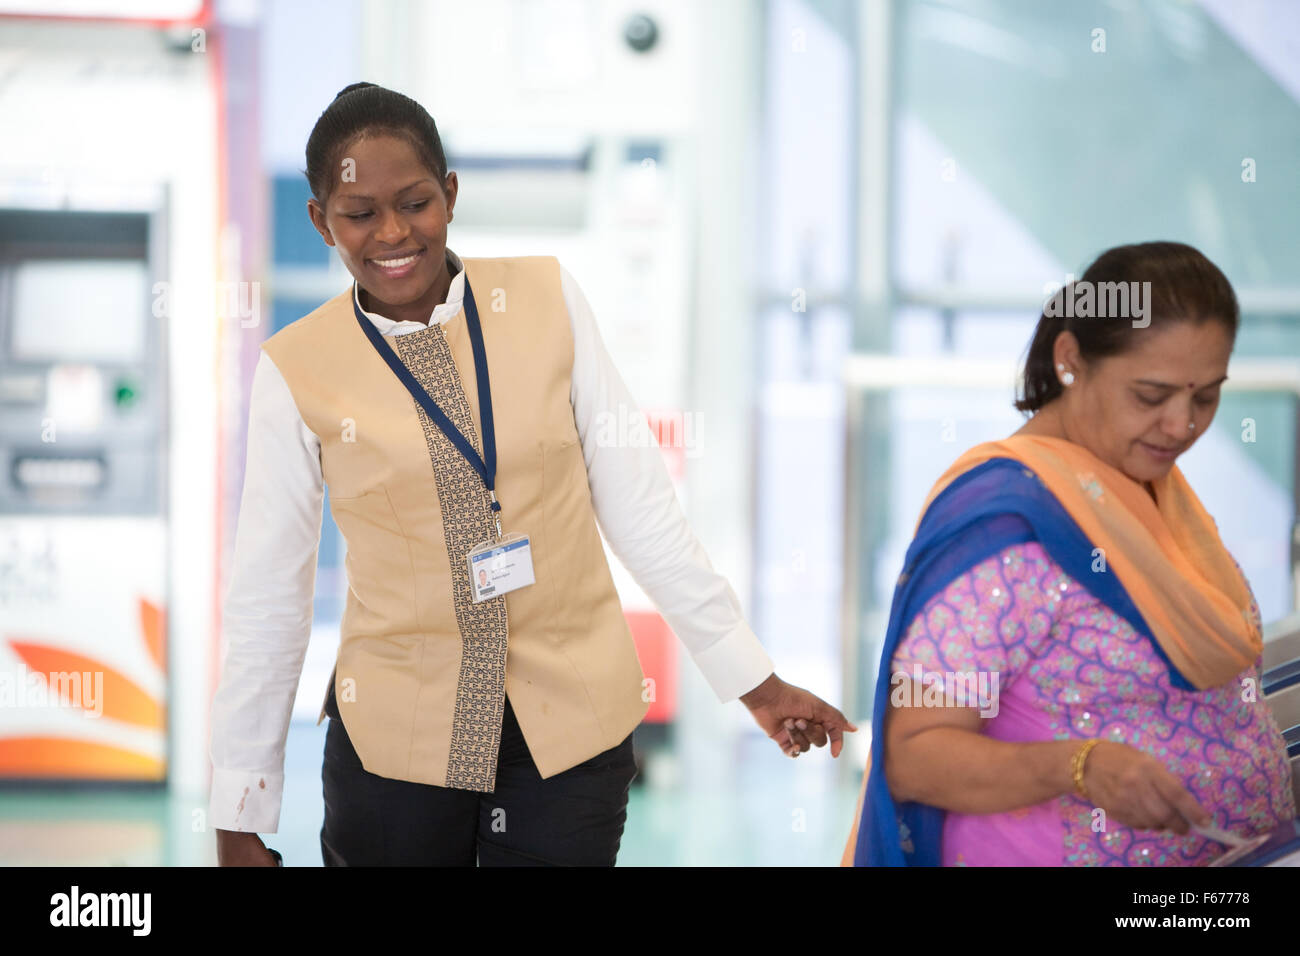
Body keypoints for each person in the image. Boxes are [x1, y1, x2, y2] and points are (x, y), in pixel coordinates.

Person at [209, 82, 855, 867]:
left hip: (570, 727)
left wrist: (754, 681)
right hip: (396, 742)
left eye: (414, 202)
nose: (392, 233)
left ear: (449, 194)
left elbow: (643, 513)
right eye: (359, 214)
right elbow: (269, 596)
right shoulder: (297, 369)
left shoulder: (547, 300)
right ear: (321, 222)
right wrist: (239, 812)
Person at [842, 240, 1296, 866]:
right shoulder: (1007, 525)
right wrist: (1081, 767)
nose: (1181, 426)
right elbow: (917, 753)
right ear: (1070, 361)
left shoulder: (1150, 489)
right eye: (1150, 395)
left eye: (1206, 398)